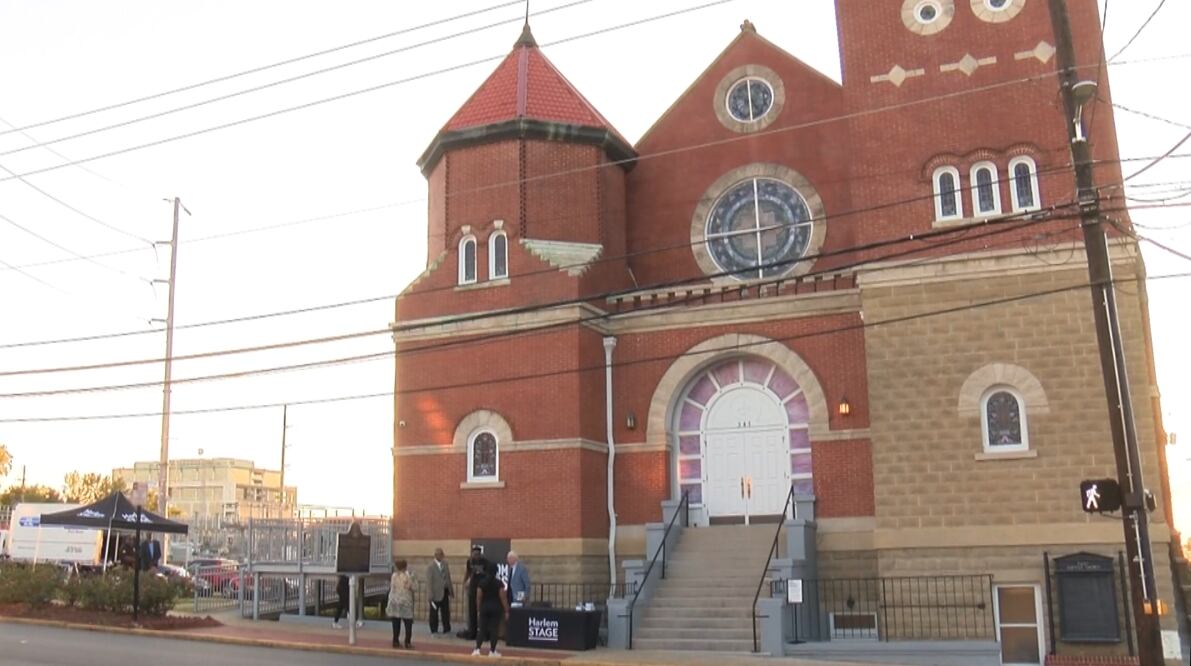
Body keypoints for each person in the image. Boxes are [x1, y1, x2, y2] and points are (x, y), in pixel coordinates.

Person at [471, 561, 508, 657]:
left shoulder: (482, 582)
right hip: (496, 608)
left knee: (482, 629)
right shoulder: (499, 583)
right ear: (496, 571)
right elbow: (503, 597)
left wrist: (478, 609)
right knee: (494, 630)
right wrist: (507, 610)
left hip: (484, 608)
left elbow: (478, 597)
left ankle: (477, 649)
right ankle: (492, 651)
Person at [458, 546, 490, 640]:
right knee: (472, 612)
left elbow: (488, 574)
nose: (475, 556)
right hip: (472, 589)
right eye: (474, 554)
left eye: (477, 554)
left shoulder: (485, 562)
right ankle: (472, 632)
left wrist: (482, 572)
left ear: (480, 554)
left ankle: (484, 634)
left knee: (482, 612)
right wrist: (464, 582)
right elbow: (468, 572)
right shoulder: (469, 562)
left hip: (482, 589)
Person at [387, 559, 417, 649]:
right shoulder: (408, 576)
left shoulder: (394, 576)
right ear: (405, 566)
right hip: (406, 602)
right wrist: (413, 578)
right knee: (408, 623)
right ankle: (407, 642)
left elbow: (392, 588)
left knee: (396, 623)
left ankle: (395, 641)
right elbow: (414, 587)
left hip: (395, 602)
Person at [426, 547, 453, 635]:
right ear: (436, 555)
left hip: (444, 591)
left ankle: (447, 628)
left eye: (442, 554)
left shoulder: (445, 564)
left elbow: (448, 577)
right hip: (435, 593)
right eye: (440, 554)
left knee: (445, 611)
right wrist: (430, 594)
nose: (441, 556)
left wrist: (451, 590)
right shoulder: (431, 566)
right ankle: (434, 630)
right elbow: (429, 581)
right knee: (434, 613)